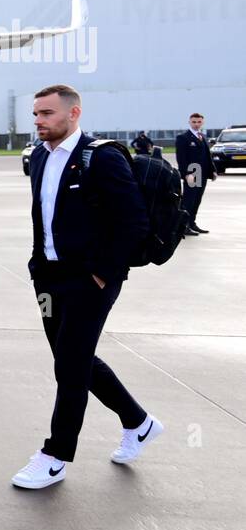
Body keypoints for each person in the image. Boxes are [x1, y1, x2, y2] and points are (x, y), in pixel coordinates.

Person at [13, 84, 163, 489]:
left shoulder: (103, 157)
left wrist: (102, 274)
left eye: (46, 113)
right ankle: (138, 421)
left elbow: (133, 222)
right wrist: (37, 266)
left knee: (71, 367)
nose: (38, 121)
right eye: (36, 114)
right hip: (48, 278)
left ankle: (55, 455)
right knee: (72, 358)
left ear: (73, 114)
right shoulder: (42, 158)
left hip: (89, 280)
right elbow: (42, 218)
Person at [175, 113, 216, 236]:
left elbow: (208, 156)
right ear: (189, 122)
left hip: (202, 173)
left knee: (197, 200)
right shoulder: (183, 138)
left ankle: (192, 223)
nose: (196, 124)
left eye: (199, 122)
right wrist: (186, 174)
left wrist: (213, 170)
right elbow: (181, 158)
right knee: (189, 200)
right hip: (192, 173)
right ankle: (183, 226)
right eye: (194, 122)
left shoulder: (202, 136)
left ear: (202, 122)